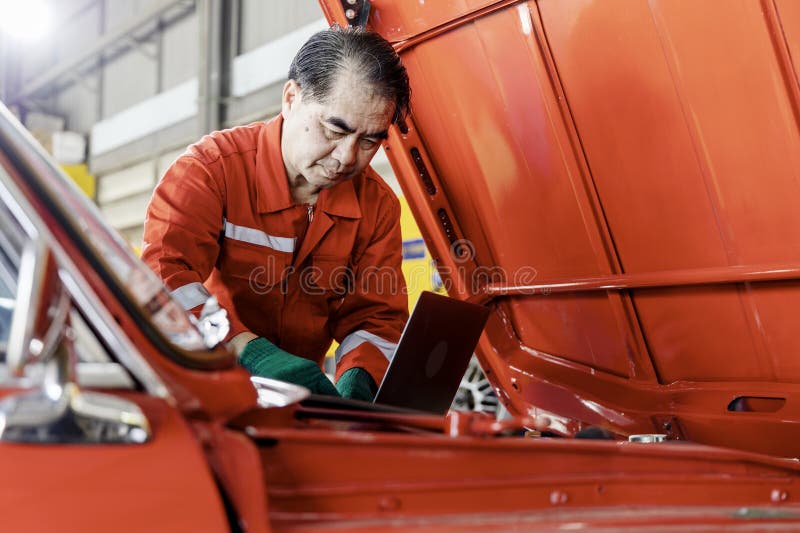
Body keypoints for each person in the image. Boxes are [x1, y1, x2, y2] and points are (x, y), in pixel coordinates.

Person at [141, 26, 411, 401]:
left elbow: (376, 317)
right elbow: (162, 277)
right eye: (334, 130)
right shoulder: (211, 170)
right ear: (290, 98)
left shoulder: (378, 208)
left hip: (300, 400)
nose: (347, 157)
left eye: (369, 141)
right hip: (203, 385)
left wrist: (360, 380)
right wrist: (248, 350)